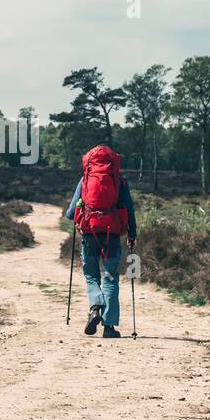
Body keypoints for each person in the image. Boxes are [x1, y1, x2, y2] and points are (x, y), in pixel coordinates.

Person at [64, 144, 137, 338]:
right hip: (112, 235)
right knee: (110, 278)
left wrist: (79, 209)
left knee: (91, 276)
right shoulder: (120, 181)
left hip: (89, 234)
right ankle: (109, 327)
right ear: (114, 164)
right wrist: (132, 235)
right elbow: (129, 211)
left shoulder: (85, 179)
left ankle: (95, 307)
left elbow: (71, 213)